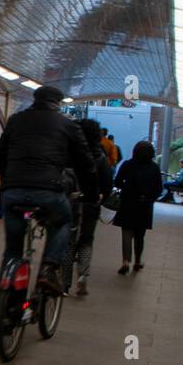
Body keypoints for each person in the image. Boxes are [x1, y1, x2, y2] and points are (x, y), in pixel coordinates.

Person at [0, 86, 96, 295]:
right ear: (57, 103)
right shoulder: (67, 124)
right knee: (63, 220)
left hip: (13, 193)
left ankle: (8, 296)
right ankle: (49, 268)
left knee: (13, 250)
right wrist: (92, 195)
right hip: (48, 192)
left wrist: (8, 181)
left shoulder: (16, 120)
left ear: (35, 99)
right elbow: (86, 163)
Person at [64, 119, 112, 295]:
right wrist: (100, 196)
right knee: (86, 240)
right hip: (91, 205)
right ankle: (83, 275)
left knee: (69, 241)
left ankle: (65, 282)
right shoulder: (101, 157)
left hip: (70, 203)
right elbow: (107, 184)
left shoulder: (70, 154)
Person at [112, 140, 164, 274]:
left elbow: (117, 181)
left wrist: (126, 189)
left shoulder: (128, 164)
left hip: (127, 202)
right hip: (144, 205)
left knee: (126, 233)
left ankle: (125, 262)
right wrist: (149, 198)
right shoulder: (154, 167)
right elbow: (158, 188)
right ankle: (137, 261)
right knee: (140, 235)